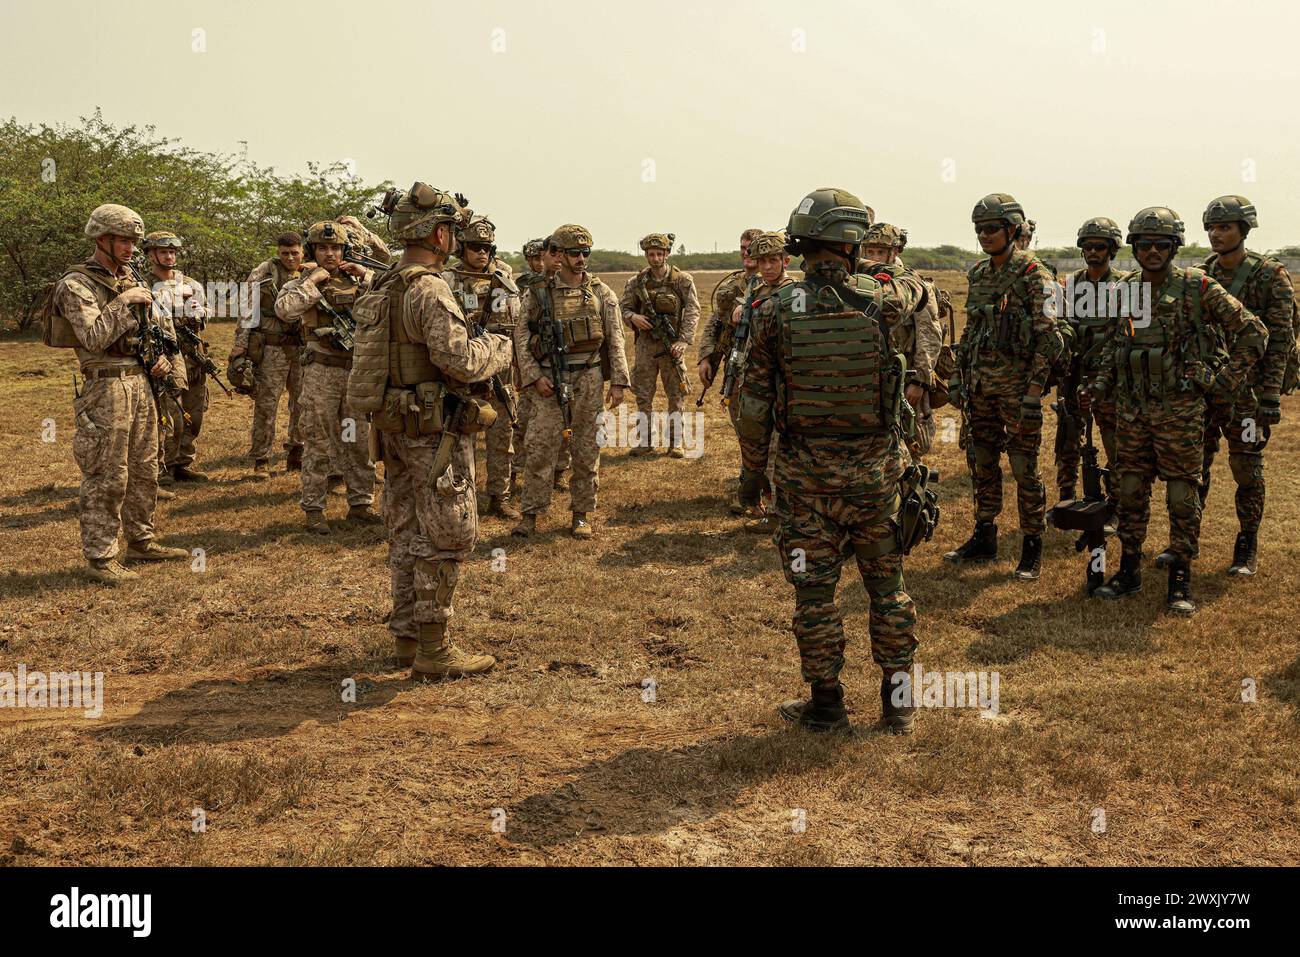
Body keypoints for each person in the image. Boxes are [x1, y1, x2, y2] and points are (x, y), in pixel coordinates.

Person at [738, 189, 925, 734]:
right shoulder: (882, 300)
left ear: (798, 245)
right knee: (887, 589)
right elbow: (910, 288)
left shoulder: (773, 309)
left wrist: (752, 478)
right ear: (853, 245)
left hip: (803, 483)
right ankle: (898, 707)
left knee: (814, 593)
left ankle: (828, 705)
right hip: (876, 482)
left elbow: (753, 407)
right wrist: (869, 268)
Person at [348, 183, 511, 676]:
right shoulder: (429, 288)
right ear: (440, 234)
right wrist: (500, 347)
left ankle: (406, 638)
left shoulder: (387, 284)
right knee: (447, 533)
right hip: (433, 432)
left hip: (393, 426)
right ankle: (435, 650)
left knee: (405, 528)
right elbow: (458, 359)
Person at [1091, 207, 1265, 614]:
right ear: (1133, 248)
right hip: (1132, 409)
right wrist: (1099, 385)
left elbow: (1254, 332)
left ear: (1174, 247)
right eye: (1145, 244)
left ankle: (1181, 577)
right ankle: (1129, 569)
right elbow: (1116, 346)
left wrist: (1222, 381)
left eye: (1162, 244)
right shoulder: (1125, 291)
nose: (1153, 251)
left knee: (1182, 494)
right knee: (1130, 489)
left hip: (1180, 411)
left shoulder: (1197, 286)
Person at [48, 204, 189, 584]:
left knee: (144, 468)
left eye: (133, 241)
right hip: (104, 386)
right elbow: (93, 336)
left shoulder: (132, 279)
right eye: (123, 240)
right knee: (107, 473)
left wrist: (162, 361)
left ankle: (141, 540)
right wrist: (124, 303)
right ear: (102, 239)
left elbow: (161, 329)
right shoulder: (75, 284)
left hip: (141, 382)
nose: (130, 248)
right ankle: (101, 556)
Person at [945, 193, 1065, 581]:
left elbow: (1051, 340)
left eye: (992, 228)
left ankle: (1032, 545)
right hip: (981, 386)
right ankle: (984, 535)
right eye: (979, 229)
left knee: (1024, 466)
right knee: (981, 462)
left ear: (1013, 230)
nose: (984, 235)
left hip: (1018, 390)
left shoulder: (1035, 275)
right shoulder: (979, 274)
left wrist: (1034, 392)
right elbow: (975, 329)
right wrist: (959, 375)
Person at [1196, 195, 1296, 576]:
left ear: (1244, 230)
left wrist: (1271, 396)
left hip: (1250, 396)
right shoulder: (1203, 273)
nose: (1216, 234)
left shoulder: (1271, 275)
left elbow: (1280, 341)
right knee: (1194, 467)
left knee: (1246, 467)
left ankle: (1246, 544)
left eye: (1225, 227)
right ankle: (1189, 539)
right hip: (1208, 392)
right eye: (1212, 227)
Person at [511, 224, 629, 539]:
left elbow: (615, 339)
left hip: (589, 376)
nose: (581, 258)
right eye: (574, 252)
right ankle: (531, 514)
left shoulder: (602, 293)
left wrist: (617, 381)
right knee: (540, 447)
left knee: (587, 447)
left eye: (585, 252)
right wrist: (534, 377)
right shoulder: (538, 292)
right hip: (550, 378)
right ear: (559, 254)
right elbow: (521, 336)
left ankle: (581, 514)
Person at [276, 221, 378, 533]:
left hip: (355, 372)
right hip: (320, 371)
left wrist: (368, 276)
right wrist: (314, 281)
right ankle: (314, 509)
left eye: (335, 248)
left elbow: (391, 298)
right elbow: (284, 310)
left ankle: (360, 503)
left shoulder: (358, 280)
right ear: (313, 251)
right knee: (317, 442)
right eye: (323, 248)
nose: (330, 253)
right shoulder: (304, 280)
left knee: (357, 439)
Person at [231, 232, 308, 478]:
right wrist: (240, 346)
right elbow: (248, 311)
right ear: (278, 252)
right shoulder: (263, 272)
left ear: (302, 251)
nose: (290, 257)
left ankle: (297, 451)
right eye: (285, 253)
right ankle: (261, 459)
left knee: (302, 403)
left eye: (294, 252)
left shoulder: (310, 272)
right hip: (272, 348)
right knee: (266, 404)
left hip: (302, 348)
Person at [620, 232, 700, 457]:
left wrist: (684, 340)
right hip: (646, 345)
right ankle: (645, 441)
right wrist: (633, 318)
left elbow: (693, 310)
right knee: (643, 394)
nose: (655, 259)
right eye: (650, 254)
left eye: (659, 254)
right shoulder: (636, 283)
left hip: (671, 346)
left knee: (676, 395)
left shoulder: (682, 280)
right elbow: (624, 308)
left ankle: (675, 443)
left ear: (667, 254)